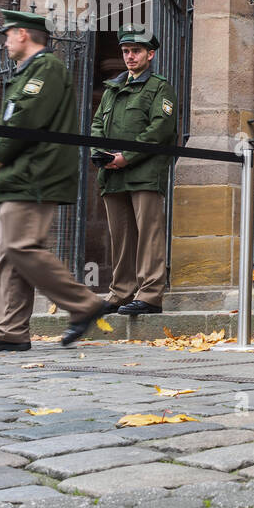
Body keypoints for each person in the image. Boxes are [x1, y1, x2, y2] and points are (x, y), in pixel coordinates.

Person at [0, 10, 108, 353]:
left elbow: (26, 120)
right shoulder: (28, 72)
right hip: (20, 174)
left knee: (21, 246)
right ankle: (10, 330)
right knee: (9, 255)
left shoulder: (46, 69)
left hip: (35, 174)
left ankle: (84, 303)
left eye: (9, 34)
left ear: (24, 35)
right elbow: (13, 123)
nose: (6, 41)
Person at [91, 25, 178, 316]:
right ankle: (120, 292)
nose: (130, 56)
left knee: (149, 234)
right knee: (121, 236)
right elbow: (96, 127)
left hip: (143, 173)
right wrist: (101, 156)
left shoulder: (159, 88)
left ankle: (150, 295)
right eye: (126, 51)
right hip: (113, 174)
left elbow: (159, 130)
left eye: (136, 51)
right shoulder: (112, 89)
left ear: (150, 54)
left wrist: (126, 157)